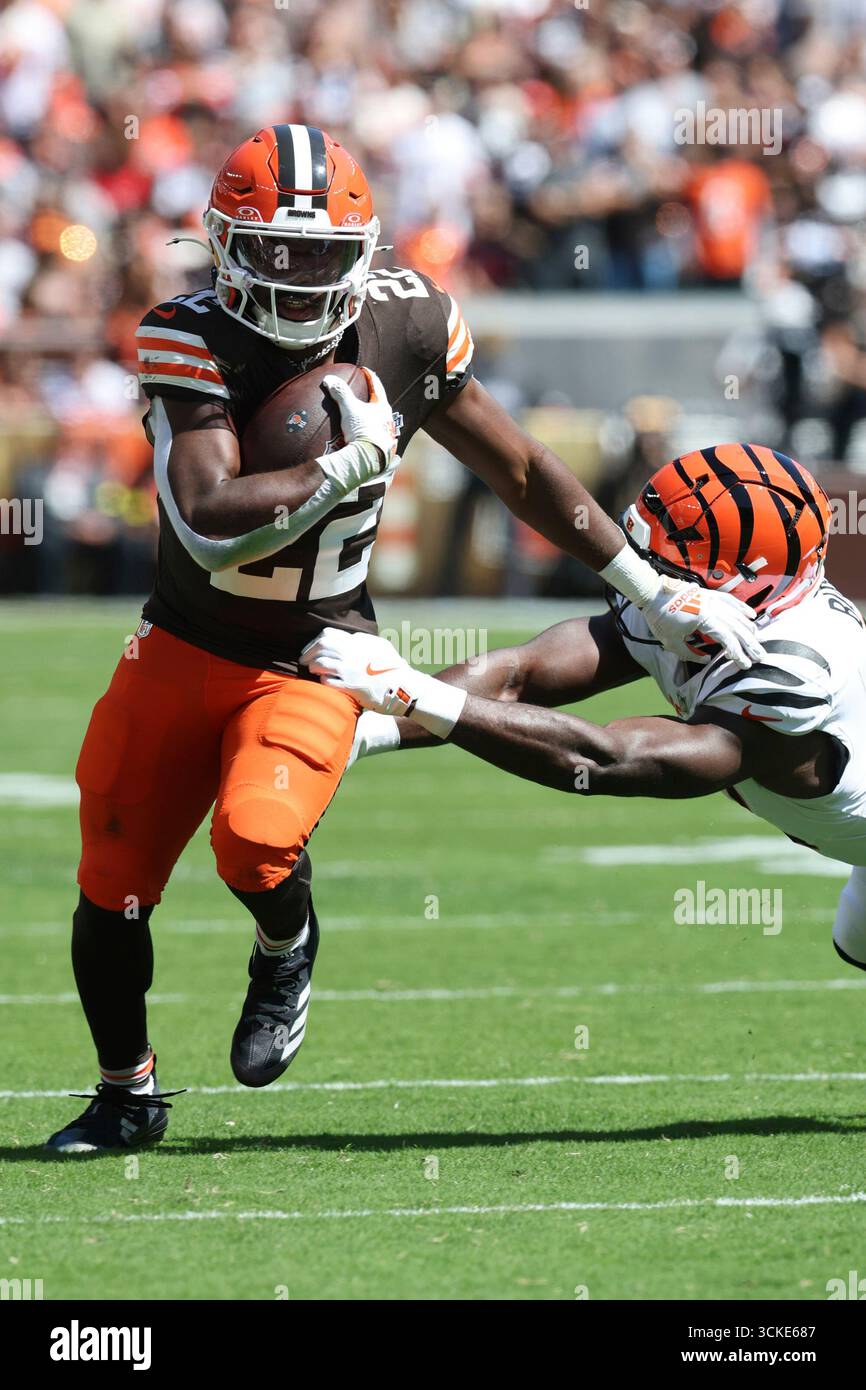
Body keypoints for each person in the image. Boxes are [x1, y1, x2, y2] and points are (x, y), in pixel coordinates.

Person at [47, 128, 760, 1154]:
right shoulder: (186, 333)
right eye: (272, 252)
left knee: (254, 839)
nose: (295, 283)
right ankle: (126, 1093)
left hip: (316, 648)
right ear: (221, 244)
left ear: (365, 252)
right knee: (111, 873)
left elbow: (517, 469)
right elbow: (206, 521)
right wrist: (341, 470)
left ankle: (285, 943)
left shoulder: (409, 322)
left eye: (318, 256)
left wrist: (648, 589)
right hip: (185, 634)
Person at [309, 444, 866, 973]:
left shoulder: (795, 663)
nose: (649, 575)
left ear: (740, 581)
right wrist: (374, 729)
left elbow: (610, 760)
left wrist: (412, 692)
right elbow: (521, 677)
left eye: (670, 563)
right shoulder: (705, 602)